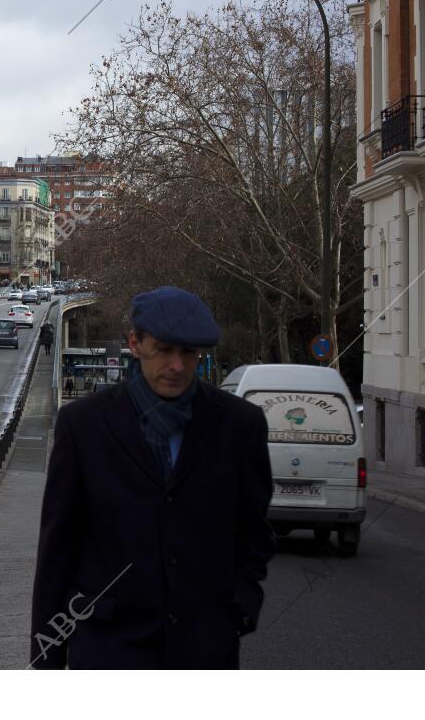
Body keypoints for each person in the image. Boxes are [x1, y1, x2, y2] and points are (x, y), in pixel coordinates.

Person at [31, 286, 274, 670]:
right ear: (135, 344)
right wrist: (45, 663)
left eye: (188, 353)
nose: (177, 365)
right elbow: (58, 552)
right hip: (106, 650)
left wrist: (240, 608)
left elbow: (253, 530)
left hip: (204, 650)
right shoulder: (84, 425)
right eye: (164, 349)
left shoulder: (240, 426)